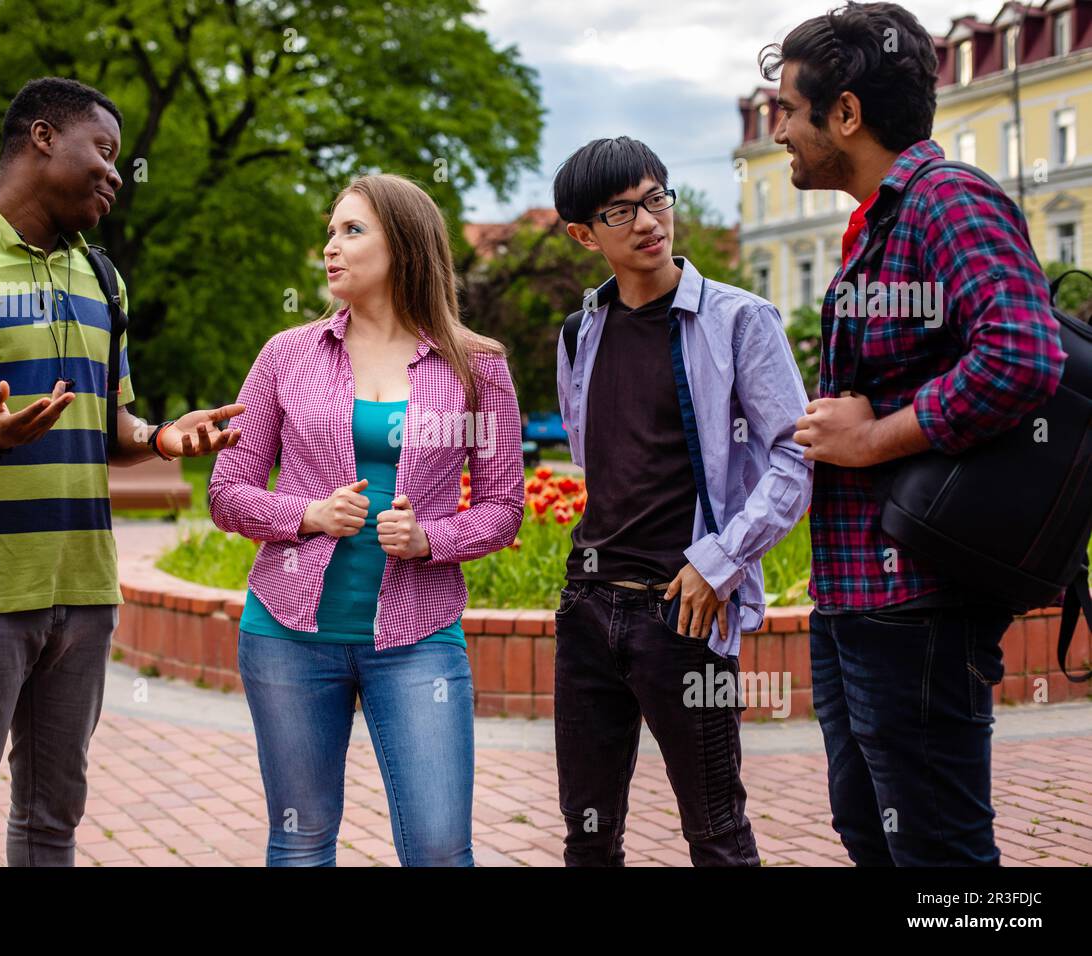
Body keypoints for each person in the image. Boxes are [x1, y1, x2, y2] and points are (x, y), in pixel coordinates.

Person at [0, 77, 242, 866]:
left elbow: (108, 423)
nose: (116, 175)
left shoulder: (103, 280)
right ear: (43, 137)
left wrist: (159, 437)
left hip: (83, 590)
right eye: (104, 153)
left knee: (53, 822)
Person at [763, 2, 1066, 865]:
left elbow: (1024, 355)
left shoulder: (950, 200)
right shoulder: (882, 221)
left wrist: (871, 439)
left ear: (847, 114)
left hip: (919, 611)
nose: (779, 128)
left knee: (943, 860)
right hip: (857, 599)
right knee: (875, 837)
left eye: (789, 108)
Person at [208, 173, 524, 866]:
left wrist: (430, 539)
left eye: (353, 231)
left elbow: (504, 509)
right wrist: (309, 514)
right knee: (300, 841)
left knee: (440, 849)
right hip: (288, 633)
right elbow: (227, 491)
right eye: (330, 231)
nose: (332, 246)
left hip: (418, 638)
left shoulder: (479, 369)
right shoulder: (285, 355)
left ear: (404, 246)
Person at [551, 136, 812, 866]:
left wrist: (720, 561)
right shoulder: (580, 332)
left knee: (716, 832)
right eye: (621, 210)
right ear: (583, 233)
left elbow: (796, 456)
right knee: (588, 836)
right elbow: (590, 460)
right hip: (588, 607)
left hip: (682, 610)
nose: (648, 220)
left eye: (656, 197)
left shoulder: (739, 320)